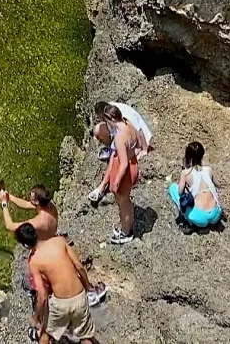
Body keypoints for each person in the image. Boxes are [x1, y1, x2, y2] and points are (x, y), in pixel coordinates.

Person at [16, 223, 98, 344]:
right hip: (80, 297)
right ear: (36, 233)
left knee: (45, 335)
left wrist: (37, 315)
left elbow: (42, 296)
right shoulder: (59, 241)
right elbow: (79, 266)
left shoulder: (34, 261)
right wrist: (87, 286)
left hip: (61, 303)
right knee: (86, 337)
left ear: (25, 245)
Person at [88, 104, 139, 244]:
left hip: (125, 171)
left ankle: (126, 232)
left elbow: (123, 164)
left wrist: (116, 182)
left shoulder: (119, 137)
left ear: (111, 118)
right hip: (134, 164)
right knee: (126, 201)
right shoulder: (128, 124)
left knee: (123, 203)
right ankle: (127, 227)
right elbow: (139, 140)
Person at [168, 141, 222, 232]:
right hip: (215, 215)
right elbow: (218, 185)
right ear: (202, 155)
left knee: (172, 188)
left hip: (199, 218)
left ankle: (189, 222)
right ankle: (212, 223)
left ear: (188, 157)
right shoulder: (208, 169)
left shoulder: (185, 173)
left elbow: (180, 192)